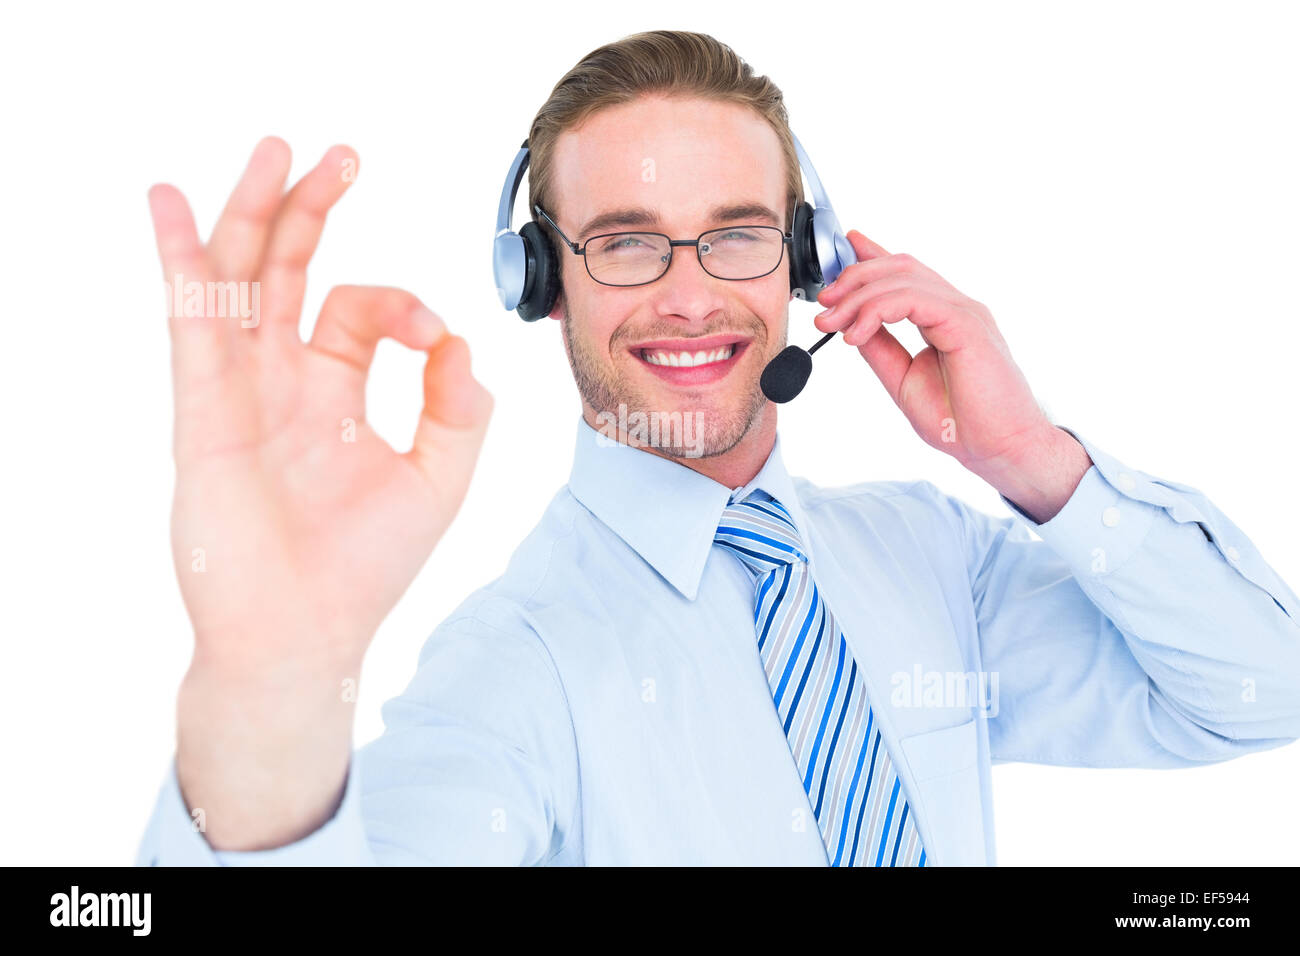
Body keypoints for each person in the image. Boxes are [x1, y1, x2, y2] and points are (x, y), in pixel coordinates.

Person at [136, 30, 1300, 866]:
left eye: (736, 236)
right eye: (626, 244)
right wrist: (268, 690)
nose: (689, 297)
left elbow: (1261, 689)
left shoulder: (936, 558)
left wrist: (1035, 463)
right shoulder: (515, 661)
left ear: (808, 260)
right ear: (540, 284)